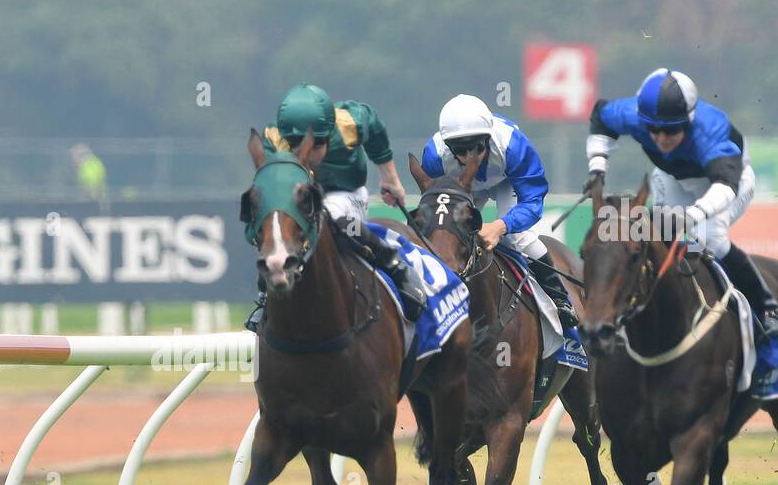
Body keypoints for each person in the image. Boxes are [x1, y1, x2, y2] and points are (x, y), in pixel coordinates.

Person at [585, 68, 778, 338]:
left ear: (689, 121)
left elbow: (726, 186)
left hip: (725, 182)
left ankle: (766, 307)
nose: (660, 138)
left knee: (708, 236)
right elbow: (600, 118)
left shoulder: (710, 131)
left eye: (670, 130)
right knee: (655, 237)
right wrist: (597, 167)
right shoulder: (631, 114)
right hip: (673, 177)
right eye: (653, 129)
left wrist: (691, 216)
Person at [247, 83, 427, 330]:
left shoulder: (351, 122)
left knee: (334, 217)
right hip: (303, 195)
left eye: (315, 144)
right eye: (294, 145)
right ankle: (266, 295)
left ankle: (396, 267)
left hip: (345, 192)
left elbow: (375, 133)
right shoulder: (272, 138)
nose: (306, 154)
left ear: (330, 133)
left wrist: (390, 178)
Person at [420, 94, 577, 330]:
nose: (468, 157)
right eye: (459, 150)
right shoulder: (434, 156)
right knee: (449, 234)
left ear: (488, 138)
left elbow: (533, 202)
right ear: (447, 146)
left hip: (506, 181)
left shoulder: (513, 146)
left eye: (476, 147)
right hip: (463, 186)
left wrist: (499, 226)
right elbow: (435, 207)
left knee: (518, 237)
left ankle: (560, 299)